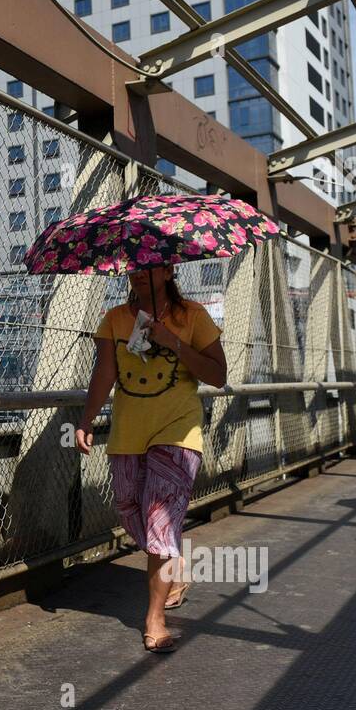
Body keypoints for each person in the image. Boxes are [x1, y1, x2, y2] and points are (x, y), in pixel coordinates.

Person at [76, 266, 227, 653]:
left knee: (159, 517)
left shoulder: (192, 316)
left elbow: (218, 375)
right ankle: (172, 565)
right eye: (133, 264)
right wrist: (87, 419)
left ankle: (154, 619)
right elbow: (105, 373)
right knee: (129, 510)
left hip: (178, 432)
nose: (138, 271)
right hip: (129, 433)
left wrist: (172, 342)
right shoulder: (115, 319)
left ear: (170, 269)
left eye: (149, 264)